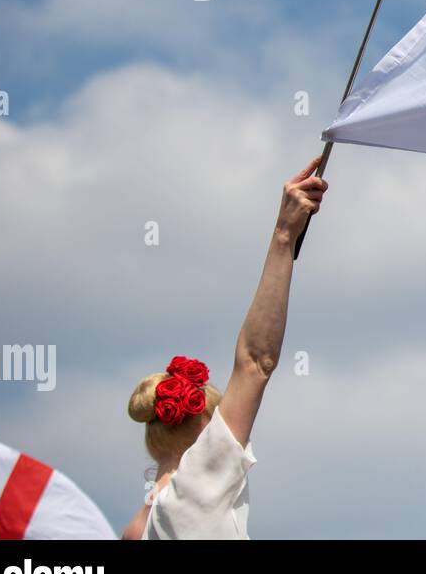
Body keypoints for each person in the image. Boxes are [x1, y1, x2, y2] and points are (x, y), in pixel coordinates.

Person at [122, 158, 328, 540]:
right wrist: (284, 236)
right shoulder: (197, 487)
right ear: (206, 428)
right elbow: (255, 363)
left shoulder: (138, 529)